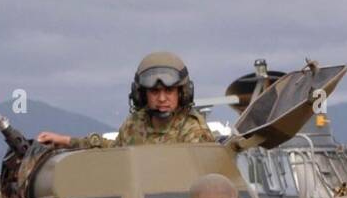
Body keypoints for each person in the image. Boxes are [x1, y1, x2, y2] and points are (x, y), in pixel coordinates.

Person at [36, 52, 216, 150]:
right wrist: (66, 141)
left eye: (169, 91)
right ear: (142, 95)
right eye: (154, 91)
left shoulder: (194, 131)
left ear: (182, 93)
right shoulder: (134, 125)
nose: (162, 98)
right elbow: (114, 149)